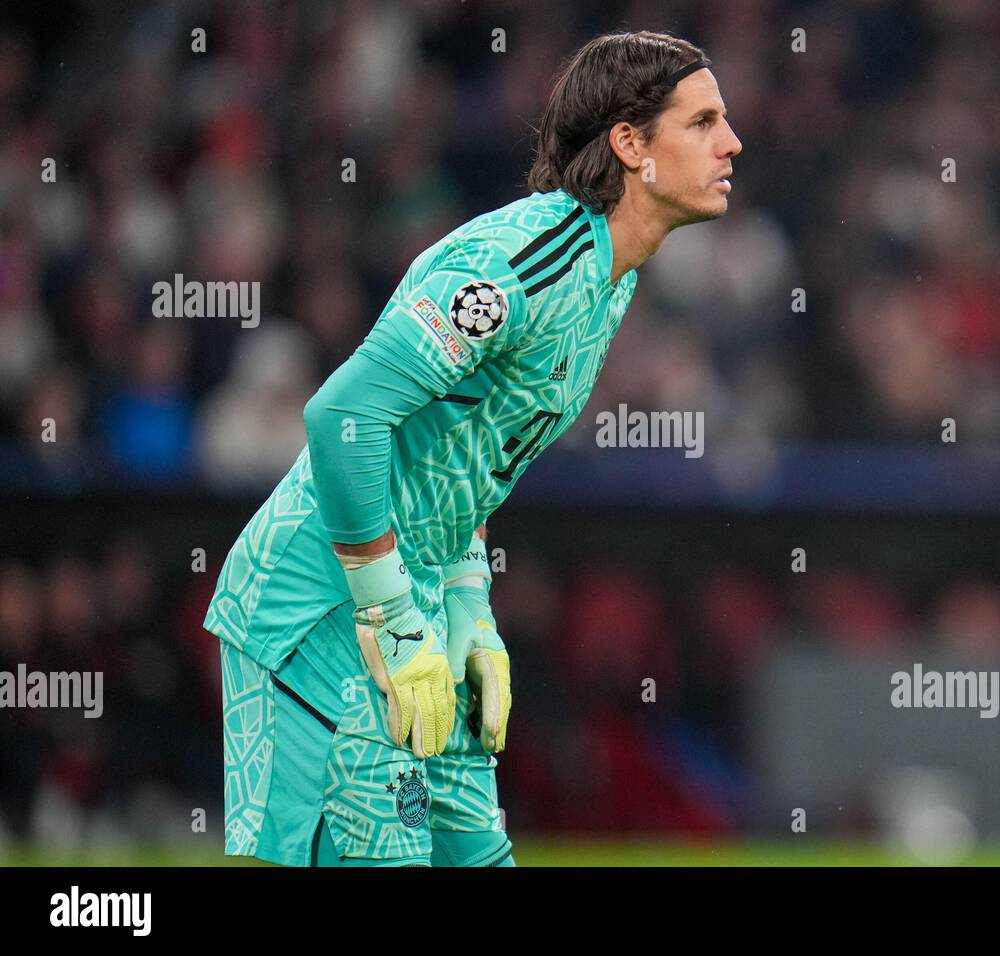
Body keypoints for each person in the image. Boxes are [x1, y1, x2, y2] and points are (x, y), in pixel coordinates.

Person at [203, 30, 742, 867]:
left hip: (417, 606)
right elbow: (343, 417)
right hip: (317, 612)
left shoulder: (613, 279)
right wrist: (388, 609)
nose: (731, 141)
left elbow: (470, 460)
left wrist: (467, 606)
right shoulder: (519, 265)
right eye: (703, 120)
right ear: (631, 145)